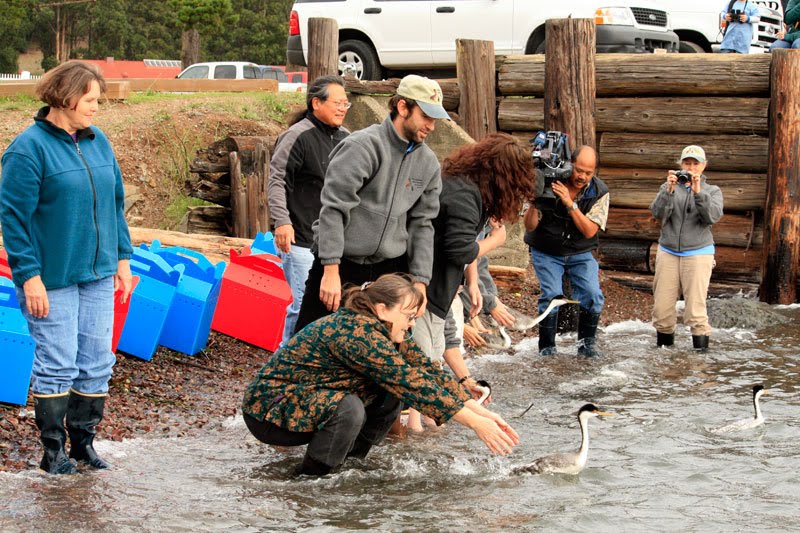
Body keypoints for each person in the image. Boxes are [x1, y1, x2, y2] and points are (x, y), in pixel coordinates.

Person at [242, 274, 520, 476]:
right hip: (268, 411)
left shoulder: (388, 329)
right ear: (381, 308)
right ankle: (313, 477)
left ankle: (349, 465)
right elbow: (408, 383)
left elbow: (426, 373)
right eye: (408, 315)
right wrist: (474, 424)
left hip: (308, 401)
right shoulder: (357, 332)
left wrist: (482, 413)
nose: (412, 323)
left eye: (414, 317)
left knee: (388, 396)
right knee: (348, 408)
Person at [0, 61, 133, 475]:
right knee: (57, 361)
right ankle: (52, 451)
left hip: (96, 273)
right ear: (66, 97)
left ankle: (83, 445)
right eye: (91, 100)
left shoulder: (99, 142)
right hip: (51, 277)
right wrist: (29, 277)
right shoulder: (28, 148)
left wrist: (123, 257)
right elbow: (13, 218)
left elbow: (115, 203)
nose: (96, 107)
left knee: (96, 360)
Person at [293, 74, 449, 334]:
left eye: (435, 119)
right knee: (313, 339)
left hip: (390, 272)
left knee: (387, 348)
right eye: (426, 116)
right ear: (403, 107)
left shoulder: (429, 163)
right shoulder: (362, 146)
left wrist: (420, 282)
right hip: (341, 261)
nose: (431, 126)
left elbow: (423, 224)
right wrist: (331, 270)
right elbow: (334, 208)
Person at [405, 132, 535, 431]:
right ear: (503, 176)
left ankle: (426, 428)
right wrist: (495, 240)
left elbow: (463, 248)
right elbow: (459, 249)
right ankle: (411, 435)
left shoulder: (464, 186)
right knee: (420, 371)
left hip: (436, 291)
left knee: (431, 362)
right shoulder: (465, 195)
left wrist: (473, 282)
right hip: (424, 289)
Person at [268, 75, 350, 348]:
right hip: (300, 237)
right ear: (316, 102)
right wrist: (281, 221)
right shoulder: (297, 135)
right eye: (337, 103)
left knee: (333, 308)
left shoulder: (346, 139)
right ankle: (285, 364)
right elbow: (277, 179)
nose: (342, 108)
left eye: (345, 104)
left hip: (333, 242)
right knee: (302, 306)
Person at [523, 145, 609, 357]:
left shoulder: (599, 191)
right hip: (547, 250)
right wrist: (536, 202)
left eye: (589, 173)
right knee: (551, 294)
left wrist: (570, 204)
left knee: (592, 294)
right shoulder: (548, 182)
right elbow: (530, 226)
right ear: (571, 164)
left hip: (580, 251)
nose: (582, 176)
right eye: (579, 170)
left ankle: (587, 345)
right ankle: (546, 348)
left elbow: (590, 231)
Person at [649, 145, 723, 352]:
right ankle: (664, 359)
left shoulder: (713, 191)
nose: (691, 168)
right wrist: (669, 191)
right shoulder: (669, 186)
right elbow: (657, 213)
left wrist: (699, 193)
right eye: (687, 163)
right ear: (680, 165)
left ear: (704, 166)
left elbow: (712, 217)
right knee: (662, 311)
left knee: (695, 312)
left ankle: (699, 363)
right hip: (668, 251)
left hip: (699, 252)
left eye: (695, 163)